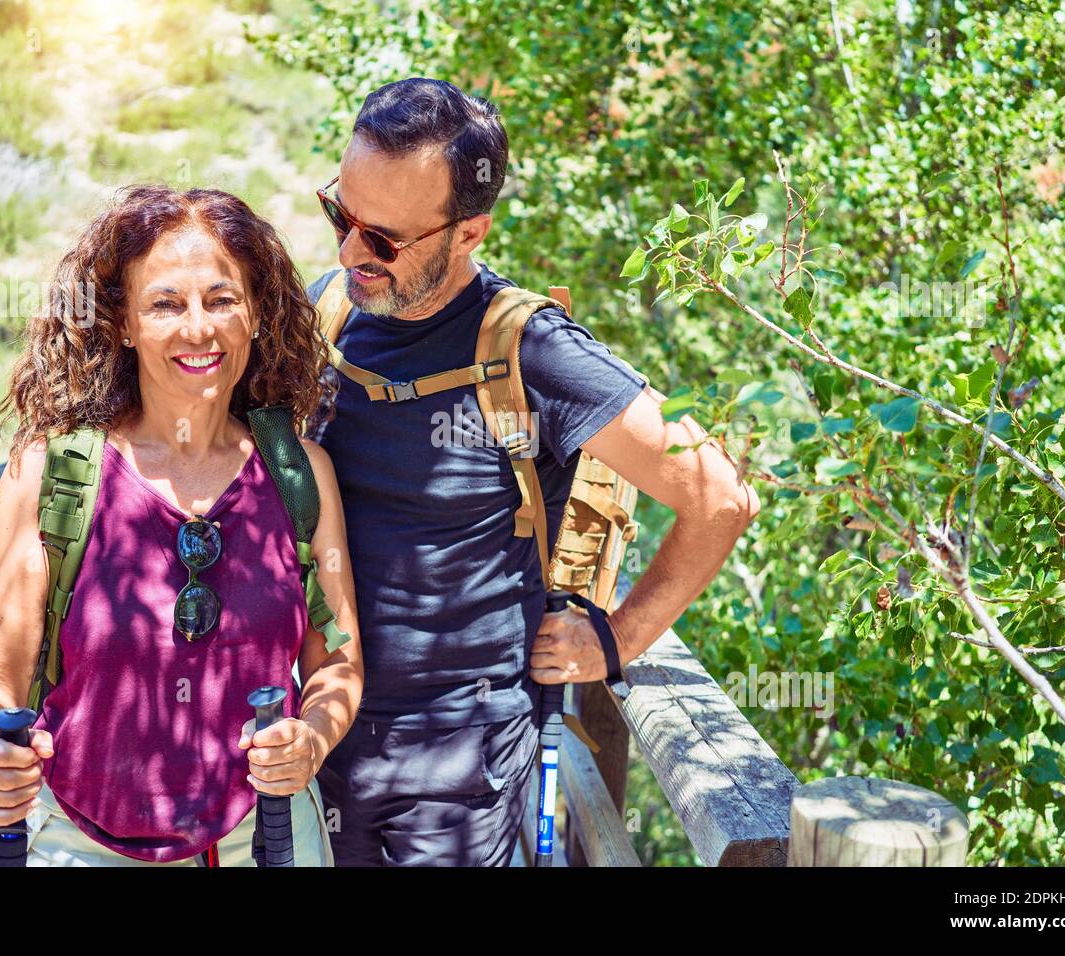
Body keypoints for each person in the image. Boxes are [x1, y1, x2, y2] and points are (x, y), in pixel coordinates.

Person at [306, 77, 761, 866]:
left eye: (382, 239)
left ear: (469, 232)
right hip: (318, 734)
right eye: (339, 214)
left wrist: (614, 643)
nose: (350, 251)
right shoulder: (332, 312)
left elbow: (721, 496)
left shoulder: (532, 352)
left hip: (457, 770)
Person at [0, 185, 363, 866]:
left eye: (222, 299)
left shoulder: (299, 473)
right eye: (166, 303)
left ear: (256, 313)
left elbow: (336, 664)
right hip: (76, 841)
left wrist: (311, 736)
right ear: (123, 324)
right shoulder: (54, 474)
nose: (198, 328)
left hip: (267, 837)